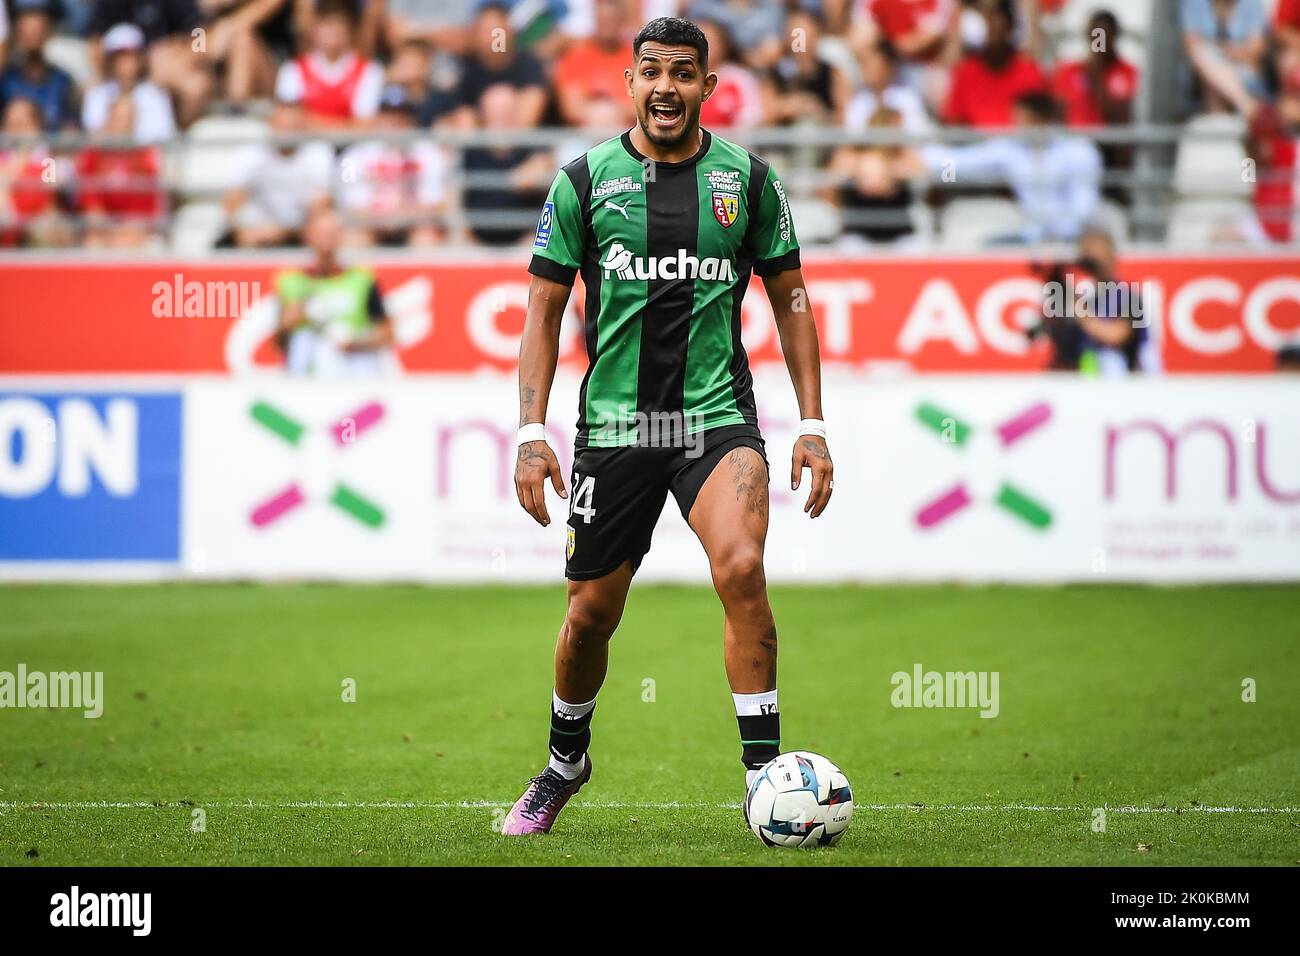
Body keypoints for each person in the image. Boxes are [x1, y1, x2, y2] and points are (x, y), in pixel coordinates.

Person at [505, 16, 833, 836]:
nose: (666, 88)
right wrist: (530, 432)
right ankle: (563, 764)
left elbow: (791, 301)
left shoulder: (749, 183)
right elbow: (542, 313)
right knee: (589, 615)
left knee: (743, 566)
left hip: (714, 420)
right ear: (629, 83)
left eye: (683, 73)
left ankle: (764, 780)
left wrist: (813, 423)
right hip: (616, 429)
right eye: (651, 71)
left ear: (707, 88)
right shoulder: (582, 182)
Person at [907, 90, 1102, 243]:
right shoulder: (1012, 150)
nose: (1015, 126)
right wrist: (916, 159)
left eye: (1021, 120)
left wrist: (1057, 233)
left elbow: (1083, 208)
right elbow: (962, 162)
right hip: (1032, 238)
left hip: (1074, 240)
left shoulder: (1080, 152)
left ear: (1041, 121)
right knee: (988, 248)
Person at [273, 206, 395, 377]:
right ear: (307, 235)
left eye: (332, 233)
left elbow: (388, 335)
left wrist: (355, 344)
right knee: (303, 339)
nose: (326, 239)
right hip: (307, 373)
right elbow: (278, 340)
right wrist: (292, 320)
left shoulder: (362, 279)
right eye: (321, 233)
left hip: (351, 368)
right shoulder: (291, 282)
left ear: (340, 236)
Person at [336, 84, 450, 246]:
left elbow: (437, 203)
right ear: (378, 117)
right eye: (389, 114)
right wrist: (383, 219)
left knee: (426, 239)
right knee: (354, 240)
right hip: (370, 225)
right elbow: (351, 205)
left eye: (402, 114)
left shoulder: (430, 154)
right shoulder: (354, 155)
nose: (396, 121)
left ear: (412, 118)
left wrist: (402, 218)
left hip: (415, 224)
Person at [223, 101, 335, 247]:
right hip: (259, 227)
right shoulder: (251, 154)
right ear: (270, 124)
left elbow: (322, 203)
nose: (288, 133)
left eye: (294, 127)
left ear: (304, 126)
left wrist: (284, 230)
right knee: (247, 235)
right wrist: (241, 227)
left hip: (301, 228)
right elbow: (232, 200)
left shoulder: (318, 152)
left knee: (325, 226)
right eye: (283, 126)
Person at [274, 0, 383, 127]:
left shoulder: (370, 71)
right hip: (306, 145)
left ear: (350, 30)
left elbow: (364, 126)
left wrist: (307, 122)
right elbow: (285, 121)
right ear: (314, 29)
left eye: (339, 24)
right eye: (327, 24)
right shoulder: (292, 69)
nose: (333, 31)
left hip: (353, 146)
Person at [943, 0, 1046, 128]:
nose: (993, 31)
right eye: (988, 25)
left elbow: (1040, 121)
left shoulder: (1029, 70)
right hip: (976, 145)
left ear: (1009, 28)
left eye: (997, 24)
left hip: (1017, 144)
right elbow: (953, 121)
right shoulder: (965, 72)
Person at [81, 23, 177, 143]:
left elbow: (163, 138)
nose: (126, 62)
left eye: (131, 55)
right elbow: (91, 137)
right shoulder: (97, 94)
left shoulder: (156, 95)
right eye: (120, 56)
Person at [0, 0, 78, 133]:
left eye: (38, 30)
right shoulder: (6, 81)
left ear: (49, 32)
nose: (33, 36)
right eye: (27, 30)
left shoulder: (63, 82)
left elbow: (71, 130)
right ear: (18, 33)